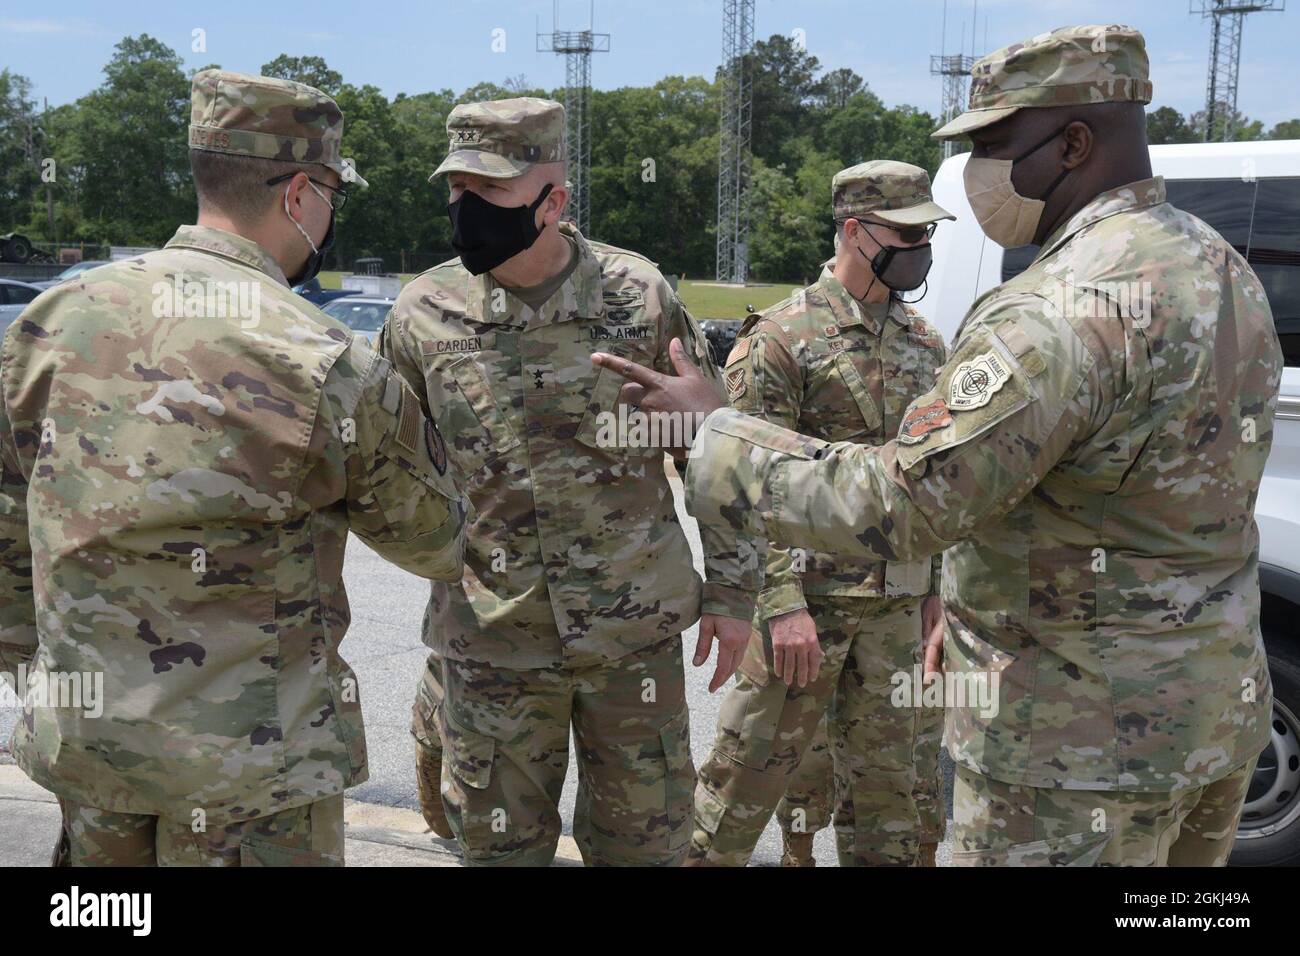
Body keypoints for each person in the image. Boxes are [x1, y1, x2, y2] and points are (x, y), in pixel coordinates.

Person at [593, 24, 1282, 866]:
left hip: (1074, 752)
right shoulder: (1223, 269)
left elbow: (906, 501)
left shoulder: (1056, 308)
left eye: (996, 144)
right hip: (1213, 719)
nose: (982, 173)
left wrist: (715, 434)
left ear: (1074, 141)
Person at [0, 69, 467, 867]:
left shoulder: (52, 322)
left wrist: (31, 668)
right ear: (299, 195)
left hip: (90, 750)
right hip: (256, 780)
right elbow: (434, 540)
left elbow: (12, 524)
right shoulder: (325, 359)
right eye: (332, 195)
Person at [381, 97, 751, 866]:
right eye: (458, 193)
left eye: (490, 195)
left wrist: (735, 593)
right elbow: (389, 472)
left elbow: (713, 451)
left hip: (631, 644)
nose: (467, 212)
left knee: (645, 849)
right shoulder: (422, 312)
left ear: (553, 202)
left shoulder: (639, 298)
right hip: (491, 647)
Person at [688, 161, 950, 867]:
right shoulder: (781, 337)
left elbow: (936, 482)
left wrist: (937, 592)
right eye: (907, 232)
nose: (921, 245)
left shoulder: (927, 345)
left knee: (899, 807)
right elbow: (743, 481)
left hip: (897, 610)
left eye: (927, 232)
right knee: (739, 792)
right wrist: (778, 602)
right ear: (856, 231)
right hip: (804, 607)